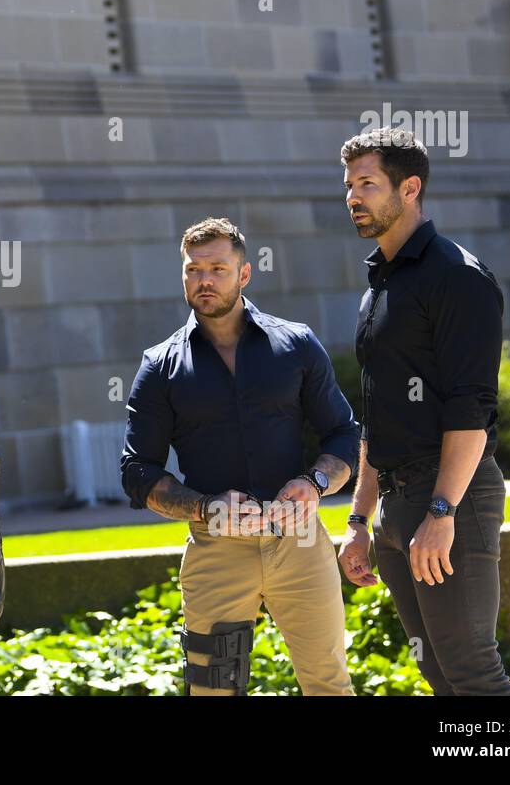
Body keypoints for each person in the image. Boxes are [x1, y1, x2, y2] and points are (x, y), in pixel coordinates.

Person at [120, 217, 359, 696]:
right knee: (213, 692)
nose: (204, 280)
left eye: (217, 268)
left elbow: (343, 435)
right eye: (193, 270)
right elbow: (138, 471)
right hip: (216, 546)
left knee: (329, 685)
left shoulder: (295, 345)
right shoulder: (160, 366)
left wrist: (313, 484)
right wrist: (207, 507)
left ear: (244, 274)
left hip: (299, 541)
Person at [335, 127, 510, 696]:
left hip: (449, 498)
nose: (353, 196)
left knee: (473, 674)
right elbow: (377, 416)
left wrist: (443, 512)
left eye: (368, 183)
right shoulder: (379, 285)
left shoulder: (456, 276)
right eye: (348, 185)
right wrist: (360, 522)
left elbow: (472, 409)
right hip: (393, 502)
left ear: (409, 187)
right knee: (440, 675)